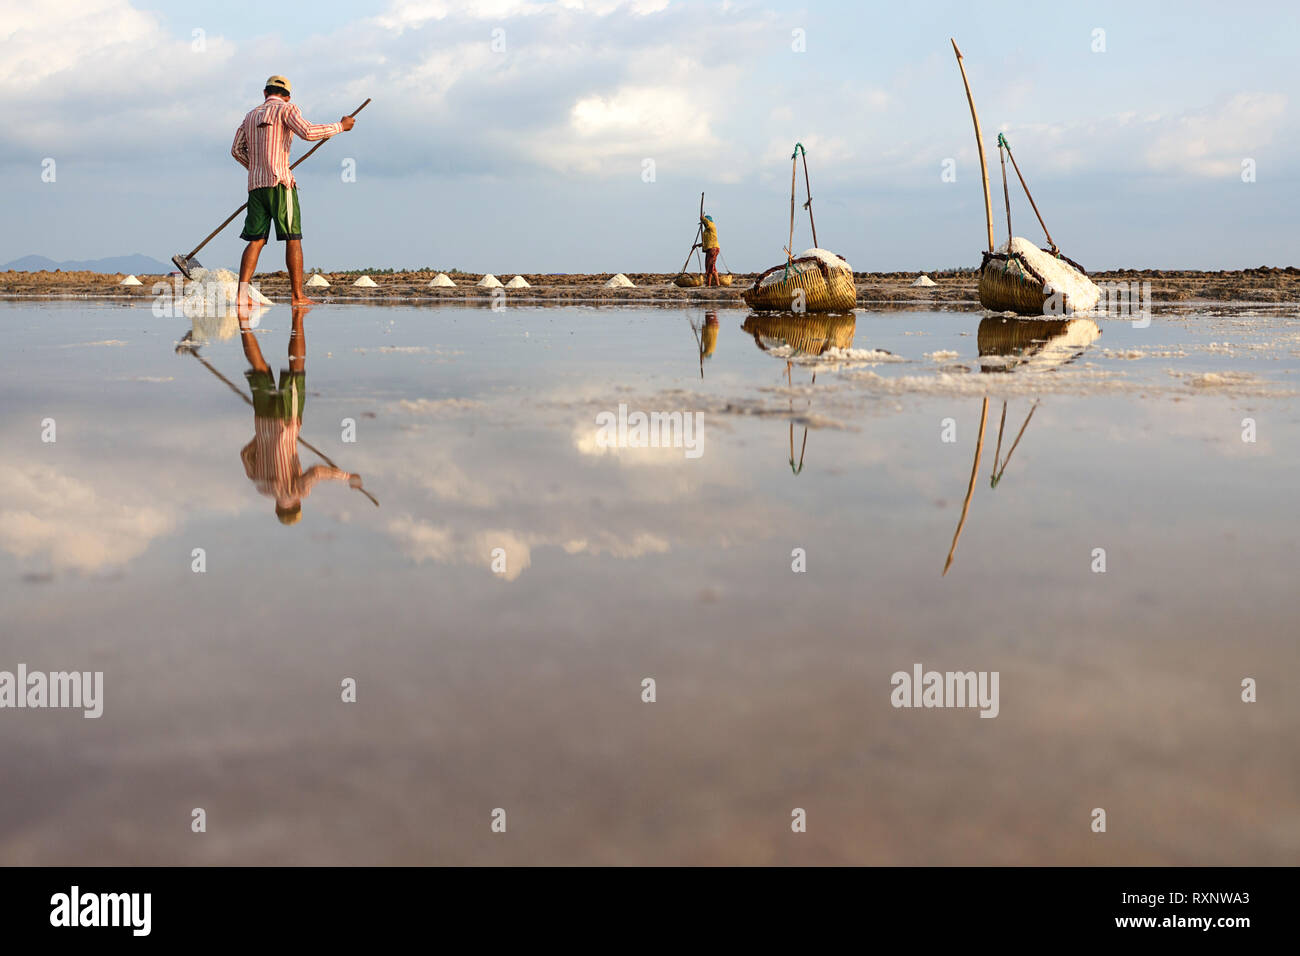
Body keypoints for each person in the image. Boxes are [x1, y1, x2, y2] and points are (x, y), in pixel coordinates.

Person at [231, 75, 355, 306]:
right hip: (281, 184)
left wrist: (258, 167)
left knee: (256, 240)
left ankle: (241, 296)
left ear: (265, 93)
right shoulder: (287, 109)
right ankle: (298, 296)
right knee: (293, 238)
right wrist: (341, 127)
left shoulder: (250, 116)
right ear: (287, 96)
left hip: (256, 186)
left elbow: (236, 150)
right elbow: (308, 132)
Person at [238, 304, 362, 524]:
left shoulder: (296, 492)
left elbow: (315, 473)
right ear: (277, 508)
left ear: (296, 506)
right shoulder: (259, 485)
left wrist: (345, 476)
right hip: (263, 421)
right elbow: (246, 454)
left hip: (288, 419)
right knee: (260, 369)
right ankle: (244, 324)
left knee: (297, 369)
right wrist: (263, 438)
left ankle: (298, 319)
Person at [700, 214, 721, 286]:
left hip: (713, 248)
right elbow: (706, 242)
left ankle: (711, 284)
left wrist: (703, 218)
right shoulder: (706, 231)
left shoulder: (712, 226)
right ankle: (710, 284)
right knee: (710, 266)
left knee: (710, 267)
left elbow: (708, 223)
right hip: (709, 249)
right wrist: (698, 245)